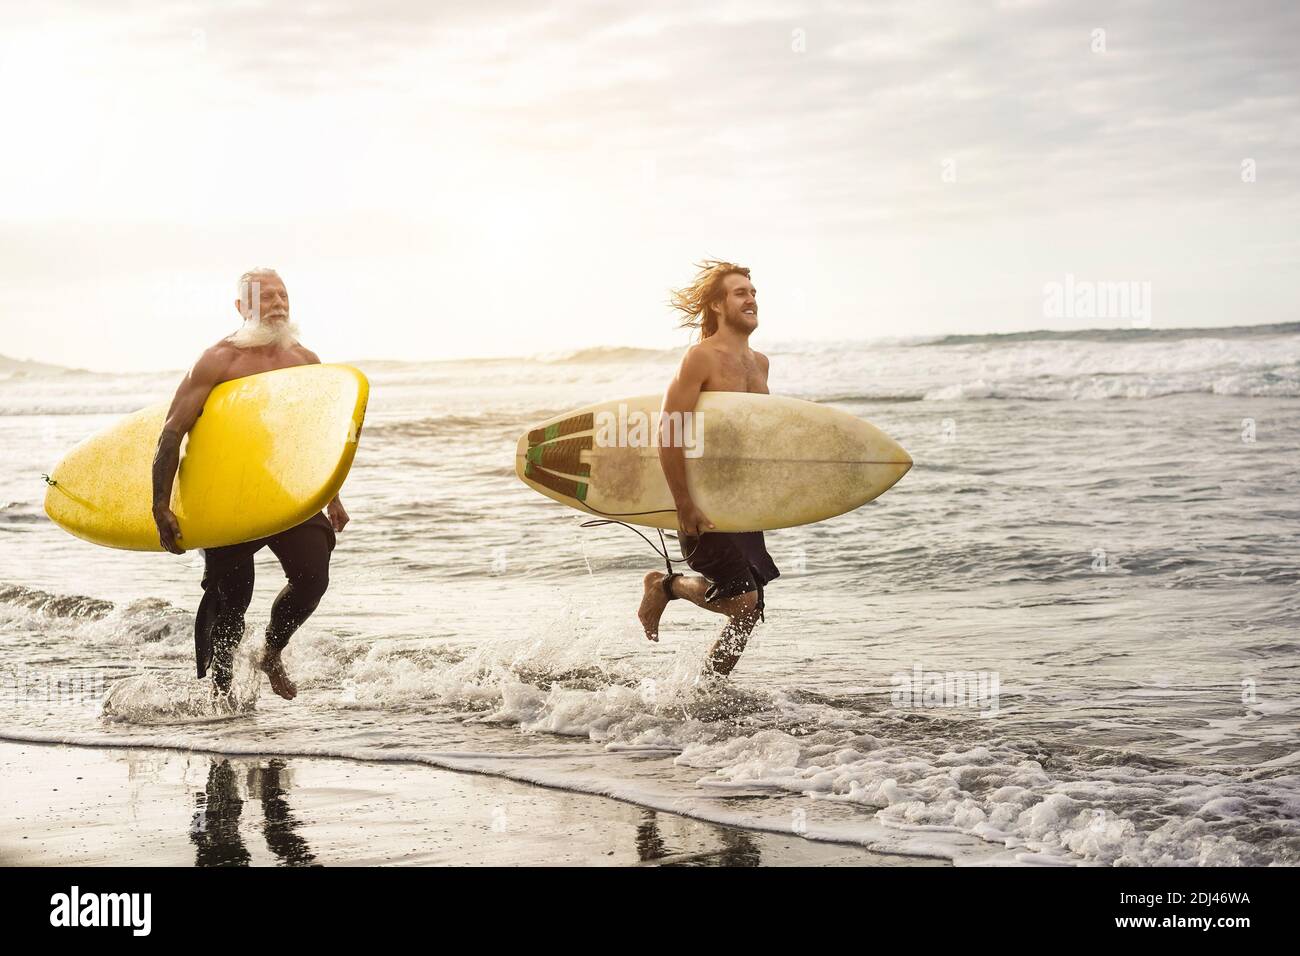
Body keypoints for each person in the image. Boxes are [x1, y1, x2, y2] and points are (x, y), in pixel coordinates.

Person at [151, 268, 349, 700]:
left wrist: (332, 496)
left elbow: (313, 436)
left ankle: (271, 651)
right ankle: (223, 698)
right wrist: (160, 506)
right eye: (265, 298)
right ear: (242, 308)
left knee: (312, 577)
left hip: (285, 492)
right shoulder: (218, 360)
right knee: (231, 602)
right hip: (228, 496)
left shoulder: (305, 360)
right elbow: (172, 431)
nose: (278, 304)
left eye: (282, 296)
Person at [636, 260, 779, 678]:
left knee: (750, 609)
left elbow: (755, 435)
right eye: (740, 293)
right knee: (742, 601)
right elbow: (670, 431)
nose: (751, 299)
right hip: (701, 497)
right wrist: (683, 503)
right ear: (718, 305)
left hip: (740, 502)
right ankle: (665, 586)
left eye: (753, 292)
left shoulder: (761, 363)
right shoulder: (700, 358)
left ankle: (707, 691)